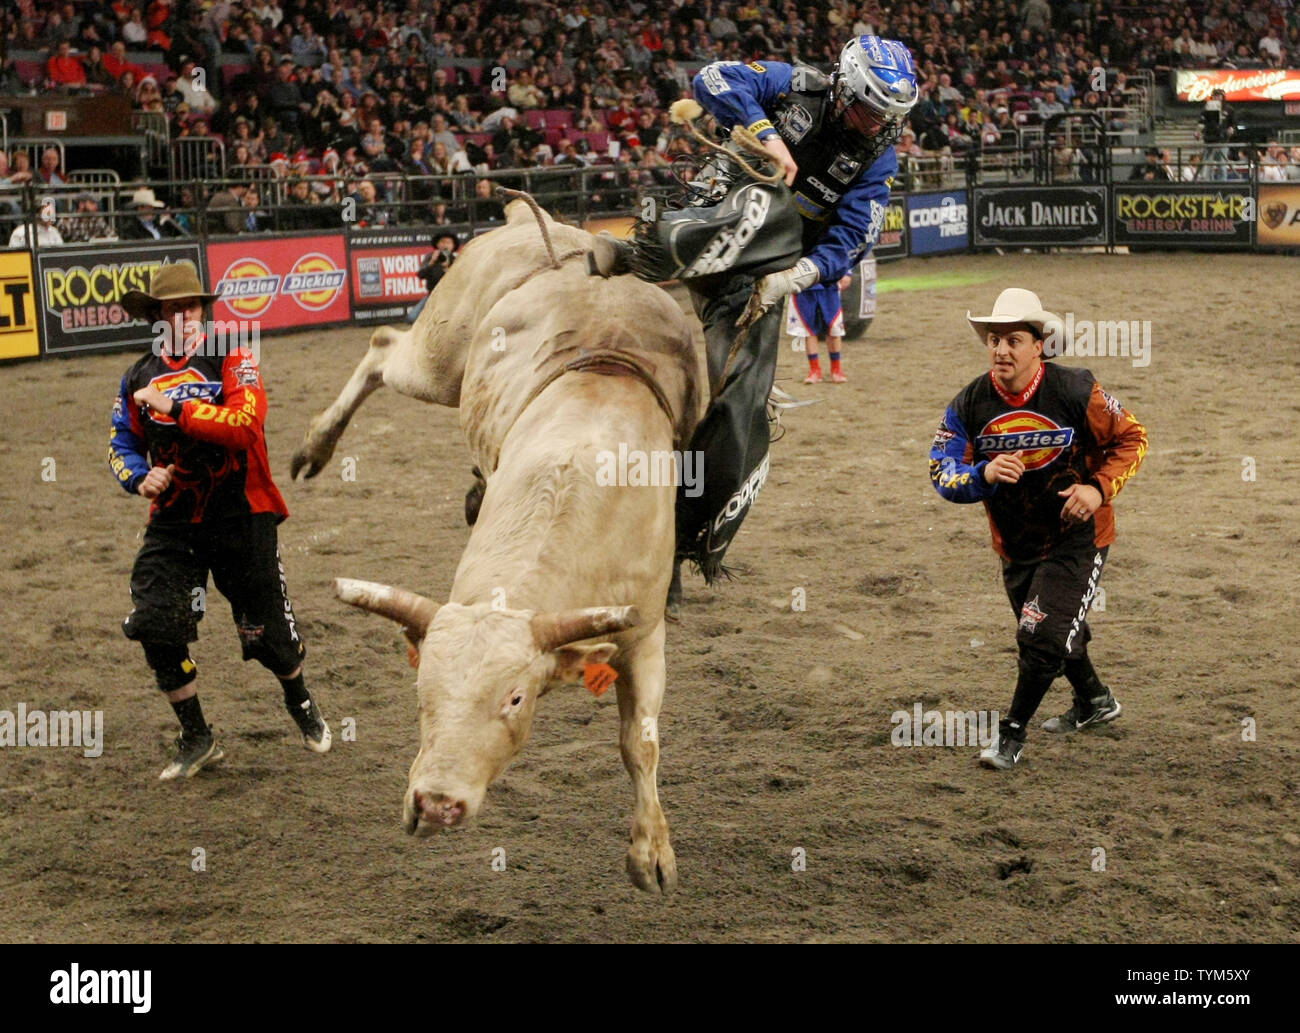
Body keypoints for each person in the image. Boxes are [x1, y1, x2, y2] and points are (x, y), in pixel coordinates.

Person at [588, 35, 917, 584]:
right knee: (769, 203)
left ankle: (682, 538)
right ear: (846, 93)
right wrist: (768, 138)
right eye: (873, 112)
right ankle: (638, 252)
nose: (880, 126)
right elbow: (712, 79)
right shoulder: (794, 85)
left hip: (763, 273)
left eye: (889, 117)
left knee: (743, 409)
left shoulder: (876, 159)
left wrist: (793, 278)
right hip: (720, 209)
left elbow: (854, 236)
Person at [108, 262, 331, 780]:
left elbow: (247, 425)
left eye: (191, 306)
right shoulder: (136, 375)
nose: (183, 315)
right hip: (174, 519)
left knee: (268, 632)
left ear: (203, 312)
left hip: (242, 514)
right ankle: (197, 735)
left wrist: (178, 410)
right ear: (157, 316)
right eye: (172, 308)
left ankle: (298, 699)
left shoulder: (233, 356)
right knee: (155, 621)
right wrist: (139, 476)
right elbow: (122, 440)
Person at [928, 288, 1148, 771]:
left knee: (1040, 635)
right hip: (1015, 544)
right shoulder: (967, 404)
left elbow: (1133, 437)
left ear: (1038, 344)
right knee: (1054, 628)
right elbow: (941, 471)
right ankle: (1095, 701)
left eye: (1013, 339)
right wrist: (980, 476)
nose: (1000, 349)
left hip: (1078, 537)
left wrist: (1098, 489)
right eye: (994, 339)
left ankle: (1010, 737)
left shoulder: (1076, 390)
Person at [787, 275, 853, 382]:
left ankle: (836, 370)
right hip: (804, 284)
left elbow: (844, 257)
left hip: (829, 283)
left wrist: (847, 272)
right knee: (809, 330)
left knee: (834, 328)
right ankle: (815, 371)